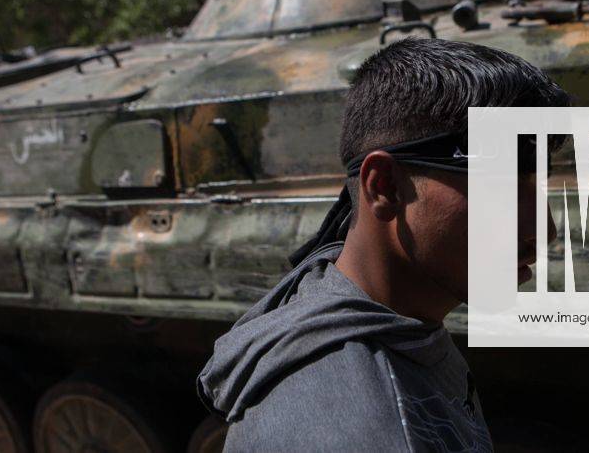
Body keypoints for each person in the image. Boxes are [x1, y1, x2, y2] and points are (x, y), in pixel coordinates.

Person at [197, 38, 569, 451]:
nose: (544, 229)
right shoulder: (346, 426)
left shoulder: (389, 318)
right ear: (386, 187)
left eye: (537, 185)